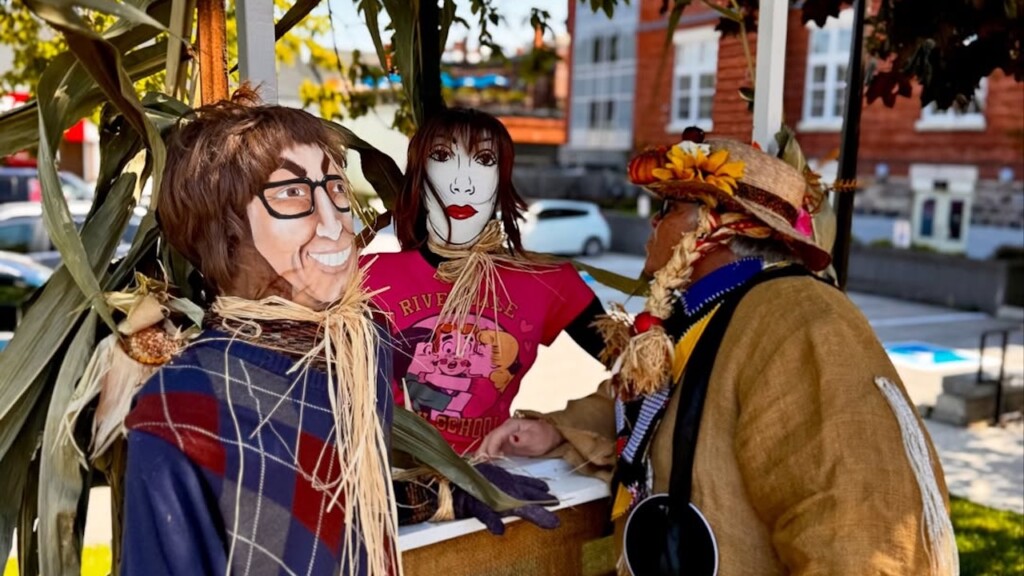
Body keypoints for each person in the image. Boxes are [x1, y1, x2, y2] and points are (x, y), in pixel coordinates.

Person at [478, 131, 958, 574]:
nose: (654, 221)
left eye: (669, 207)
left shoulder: (800, 317)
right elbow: (653, 405)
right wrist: (553, 429)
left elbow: (854, 524)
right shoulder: (707, 312)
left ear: (716, 227)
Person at [120, 90, 398, 575]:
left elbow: (352, 513)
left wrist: (455, 490)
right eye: (292, 193)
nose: (333, 222)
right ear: (225, 232)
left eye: (335, 188)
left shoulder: (362, 350)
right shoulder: (185, 404)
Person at [363, 107, 605, 455]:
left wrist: (560, 428)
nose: (463, 183)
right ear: (417, 176)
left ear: (502, 178)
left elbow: (645, 374)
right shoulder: (367, 276)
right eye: (442, 156)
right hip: (384, 476)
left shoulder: (548, 282)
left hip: (488, 474)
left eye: (484, 159)